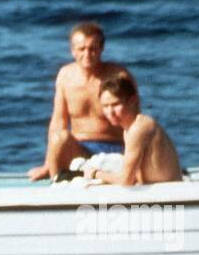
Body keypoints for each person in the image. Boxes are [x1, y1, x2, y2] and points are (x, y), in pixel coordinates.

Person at [26, 22, 135, 181]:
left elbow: (135, 122)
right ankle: (58, 186)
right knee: (60, 137)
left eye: (93, 48)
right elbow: (58, 122)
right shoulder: (65, 76)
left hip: (116, 148)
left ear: (101, 49)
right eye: (81, 49)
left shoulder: (119, 76)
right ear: (72, 50)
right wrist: (48, 164)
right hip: (80, 149)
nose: (87, 54)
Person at [81, 76, 182, 185]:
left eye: (115, 104)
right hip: (157, 191)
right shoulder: (129, 129)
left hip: (167, 195)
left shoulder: (139, 128)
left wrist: (95, 173)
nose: (110, 112)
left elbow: (126, 181)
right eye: (105, 106)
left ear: (132, 101)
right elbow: (135, 176)